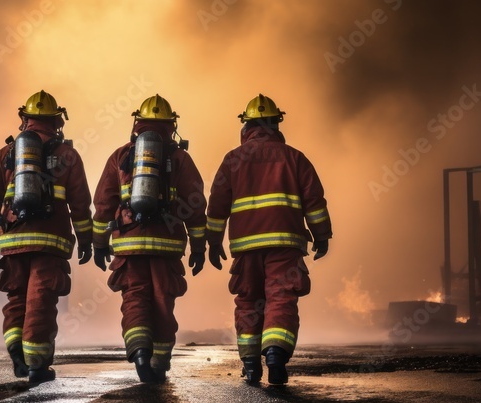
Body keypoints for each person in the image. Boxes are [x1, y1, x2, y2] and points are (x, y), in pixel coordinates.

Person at [205, 94, 332, 385]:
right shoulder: (295, 158)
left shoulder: (232, 160)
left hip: (245, 248)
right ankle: (275, 355)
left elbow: (217, 206)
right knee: (281, 297)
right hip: (285, 245)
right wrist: (321, 236)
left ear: (246, 125)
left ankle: (251, 364)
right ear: (276, 124)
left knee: (248, 301)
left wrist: (213, 242)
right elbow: (314, 202)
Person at [0, 90, 93, 384]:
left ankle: (18, 355)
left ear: (24, 119)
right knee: (40, 300)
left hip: (12, 240)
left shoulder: (6, 154)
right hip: (49, 242)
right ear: (57, 120)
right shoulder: (68, 156)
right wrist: (88, 239)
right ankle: (37, 366)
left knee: (17, 299)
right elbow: (80, 204)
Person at [92, 94, 207, 383]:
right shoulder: (180, 158)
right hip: (166, 247)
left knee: (135, 299)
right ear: (172, 125)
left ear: (136, 123)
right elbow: (194, 204)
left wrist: (97, 243)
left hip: (128, 246)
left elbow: (104, 202)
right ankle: (158, 363)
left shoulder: (121, 156)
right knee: (162, 302)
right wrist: (199, 246)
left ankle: (140, 354)